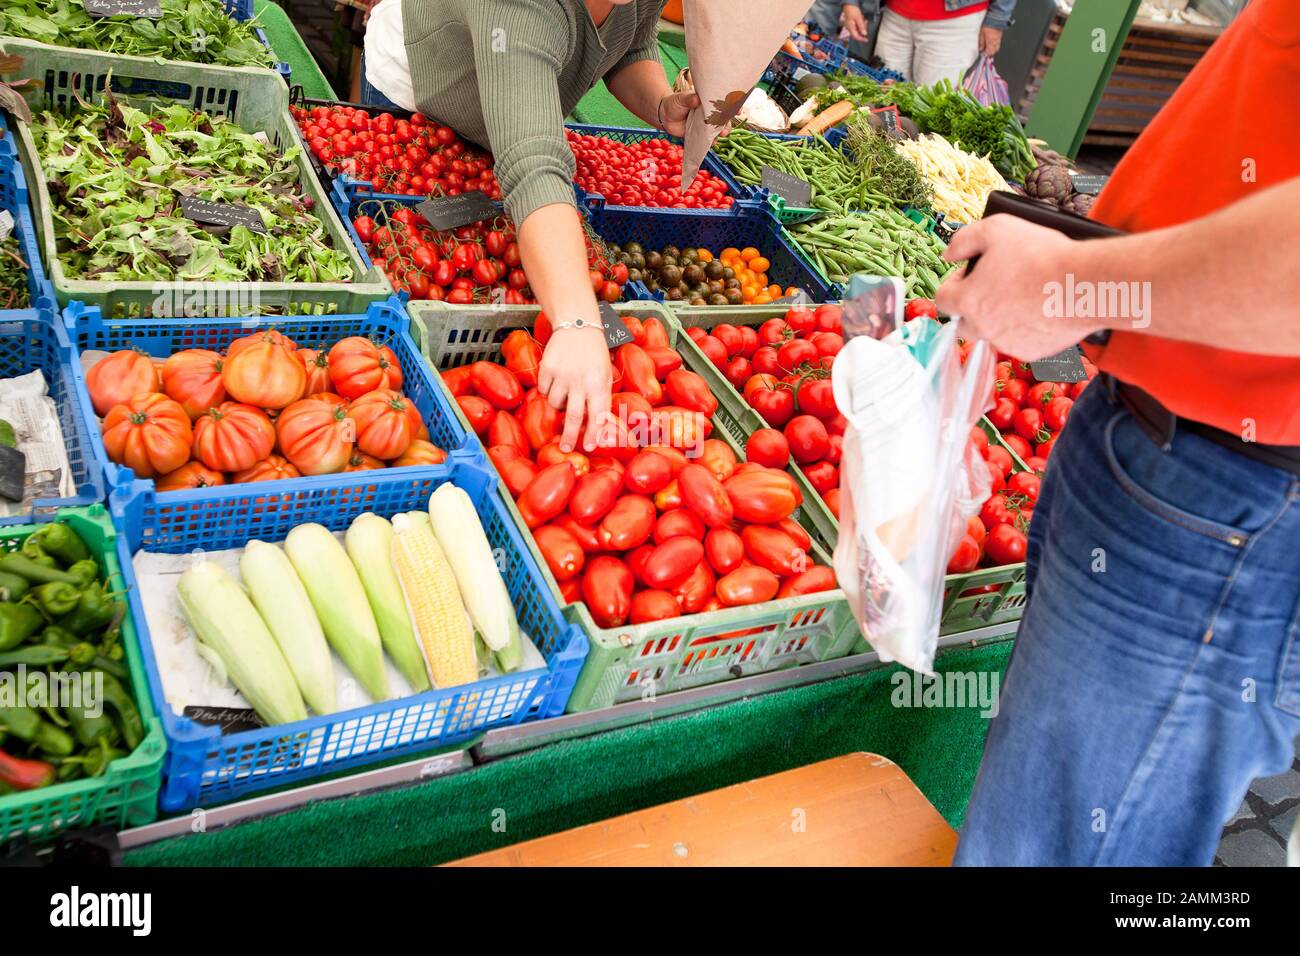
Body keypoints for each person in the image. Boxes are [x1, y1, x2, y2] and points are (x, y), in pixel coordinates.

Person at [934, 0, 1300, 866]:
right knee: (1050, 818)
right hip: (1169, 451)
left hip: (1230, 497)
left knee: (1062, 849)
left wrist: (1077, 289)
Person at [359, 0, 699, 454]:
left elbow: (630, 43)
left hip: (519, 101)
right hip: (429, 85)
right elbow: (533, 166)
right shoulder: (517, 7)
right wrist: (577, 322)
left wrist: (661, 106)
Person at [863, 0, 1016, 87]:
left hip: (955, 21)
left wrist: (997, 18)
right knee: (882, 96)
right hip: (895, 14)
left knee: (931, 109)